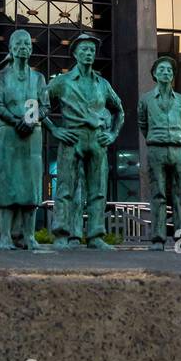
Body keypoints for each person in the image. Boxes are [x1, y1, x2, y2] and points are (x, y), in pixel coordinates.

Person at [48, 33, 124, 249]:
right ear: (75, 53)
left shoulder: (103, 84)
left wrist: (113, 134)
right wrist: (55, 130)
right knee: (65, 189)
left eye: (92, 49)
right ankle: (63, 234)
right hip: (72, 138)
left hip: (98, 139)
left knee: (98, 190)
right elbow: (38, 106)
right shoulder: (62, 82)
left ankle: (95, 235)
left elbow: (119, 110)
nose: (89, 53)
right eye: (84, 49)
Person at [0, 27, 50, 250]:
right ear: (11, 49)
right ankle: (5, 236)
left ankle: (28, 235)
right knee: (7, 185)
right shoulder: (2, 77)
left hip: (31, 137)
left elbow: (45, 105)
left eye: (27, 44)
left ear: (31, 49)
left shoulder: (38, 78)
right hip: (8, 134)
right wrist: (16, 121)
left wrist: (30, 120)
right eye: (18, 44)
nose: (23, 48)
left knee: (31, 185)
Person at [137, 55, 181, 250]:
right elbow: (142, 124)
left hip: (177, 150)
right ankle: (158, 240)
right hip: (155, 149)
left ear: (173, 74)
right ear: (154, 74)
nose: (165, 72)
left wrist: (174, 138)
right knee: (158, 194)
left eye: (169, 70)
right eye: (161, 70)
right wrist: (156, 138)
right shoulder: (146, 100)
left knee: (180, 196)